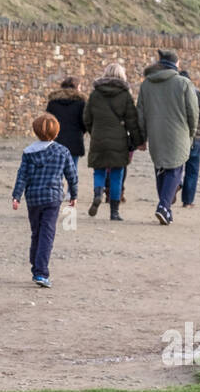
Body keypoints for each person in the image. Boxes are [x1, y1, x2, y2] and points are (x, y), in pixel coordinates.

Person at [12, 113, 78, 287]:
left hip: (33, 197)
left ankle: (36, 265)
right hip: (53, 197)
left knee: (37, 232)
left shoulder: (28, 152)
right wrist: (74, 195)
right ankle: (41, 272)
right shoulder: (62, 151)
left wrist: (16, 196)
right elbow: (72, 175)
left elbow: (22, 176)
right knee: (47, 234)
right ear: (56, 133)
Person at [135, 49, 199, 225]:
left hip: (155, 133)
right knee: (175, 169)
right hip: (178, 133)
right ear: (175, 64)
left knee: (160, 169)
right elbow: (193, 112)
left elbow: (140, 112)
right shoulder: (184, 83)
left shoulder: (146, 84)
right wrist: (192, 133)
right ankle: (163, 206)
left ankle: (166, 210)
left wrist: (142, 135)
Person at [82, 62, 139, 221]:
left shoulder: (95, 94)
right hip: (119, 140)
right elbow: (131, 121)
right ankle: (114, 212)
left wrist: (94, 131)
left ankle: (98, 193)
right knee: (116, 175)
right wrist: (138, 140)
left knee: (99, 170)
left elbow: (86, 118)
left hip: (99, 137)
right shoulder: (125, 95)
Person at [177, 69, 200, 208]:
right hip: (195, 136)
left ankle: (176, 184)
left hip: (177, 136)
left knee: (176, 165)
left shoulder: (174, 95)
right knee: (192, 169)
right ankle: (188, 201)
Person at [45, 77, 86, 169]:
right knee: (72, 170)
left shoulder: (53, 103)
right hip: (74, 141)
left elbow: (47, 121)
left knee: (56, 171)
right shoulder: (81, 103)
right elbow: (84, 122)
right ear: (76, 88)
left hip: (55, 140)